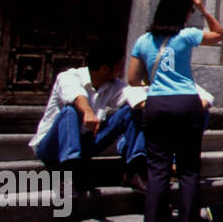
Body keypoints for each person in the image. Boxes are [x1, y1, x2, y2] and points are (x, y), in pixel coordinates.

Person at [128, 0, 223, 222]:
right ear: (185, 12)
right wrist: (204, 9)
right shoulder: (187, 36)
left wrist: (155, 80)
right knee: (188, 172)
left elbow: (133, 79)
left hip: (157, 104)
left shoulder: (143, 41)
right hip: (186, 103)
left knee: (157, 171)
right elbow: (219, 35)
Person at [31, 43, 142, 193]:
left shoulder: (113, 85)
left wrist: (146, 102)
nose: (122, 70)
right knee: (70, 110)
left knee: (132, 111)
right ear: (104, 68)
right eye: (120, 65)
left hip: (84, 145)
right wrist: (87, 112)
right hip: (52, 147)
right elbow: (75, 94)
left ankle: (134, 170)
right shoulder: (68, 76)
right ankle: (67, 175)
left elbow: (132, 95)